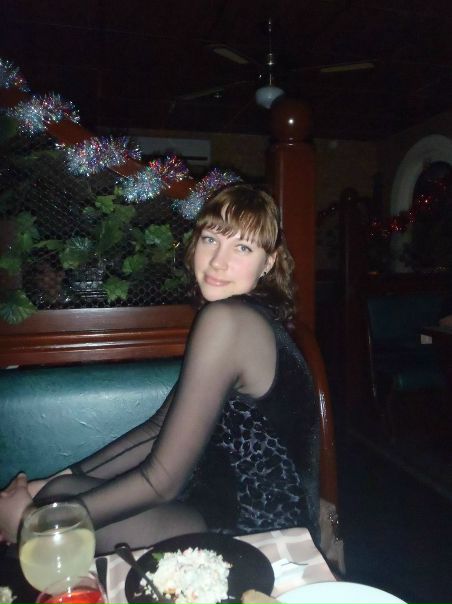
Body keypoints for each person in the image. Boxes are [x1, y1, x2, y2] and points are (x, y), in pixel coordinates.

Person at [0, 184, 319, 553]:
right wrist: (47, 484)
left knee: (53, 515)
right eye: (211, 239)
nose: (218, 261)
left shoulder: (228, 322)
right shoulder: (243, 316)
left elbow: (162, 482)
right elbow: (157, 429)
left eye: (242, 248)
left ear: (268, 263)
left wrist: (36, 522)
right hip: (217, 503)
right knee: (58, 492)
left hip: (257, 529)